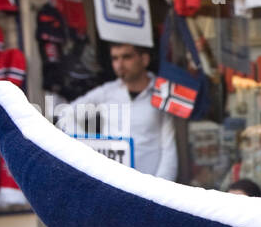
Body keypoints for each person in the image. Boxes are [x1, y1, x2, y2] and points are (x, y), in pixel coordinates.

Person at [57, 42, 178, 181]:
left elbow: (168, 147)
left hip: (149, 184)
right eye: (115, 58)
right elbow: (65, 114)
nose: (120, 65)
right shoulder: (107, 92)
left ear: (144, 59)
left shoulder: (162, 92)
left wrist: (160, 187)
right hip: (112, 183)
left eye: (126, 57)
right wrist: (90, 146)